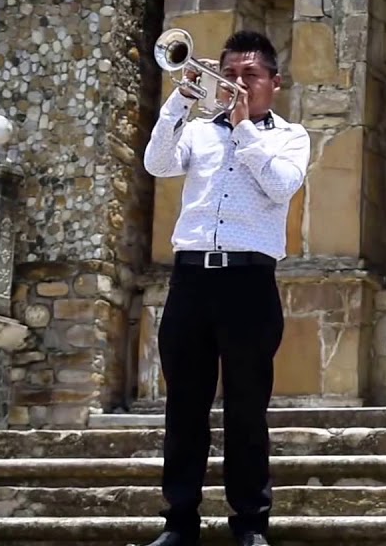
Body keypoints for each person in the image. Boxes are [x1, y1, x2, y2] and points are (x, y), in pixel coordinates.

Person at [142, 31, 311, 546]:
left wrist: (242, 129)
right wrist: (183, 94)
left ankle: (251, 523)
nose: (237, 84)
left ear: (274, 83)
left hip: (249, 280)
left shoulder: (289, 135)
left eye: (250, 75)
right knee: (184, 406)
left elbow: (283, 184)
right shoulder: (198, 131)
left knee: (246, 407)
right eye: (230, 73)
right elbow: (157, 163)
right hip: (191, 277)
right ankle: (179, 523)